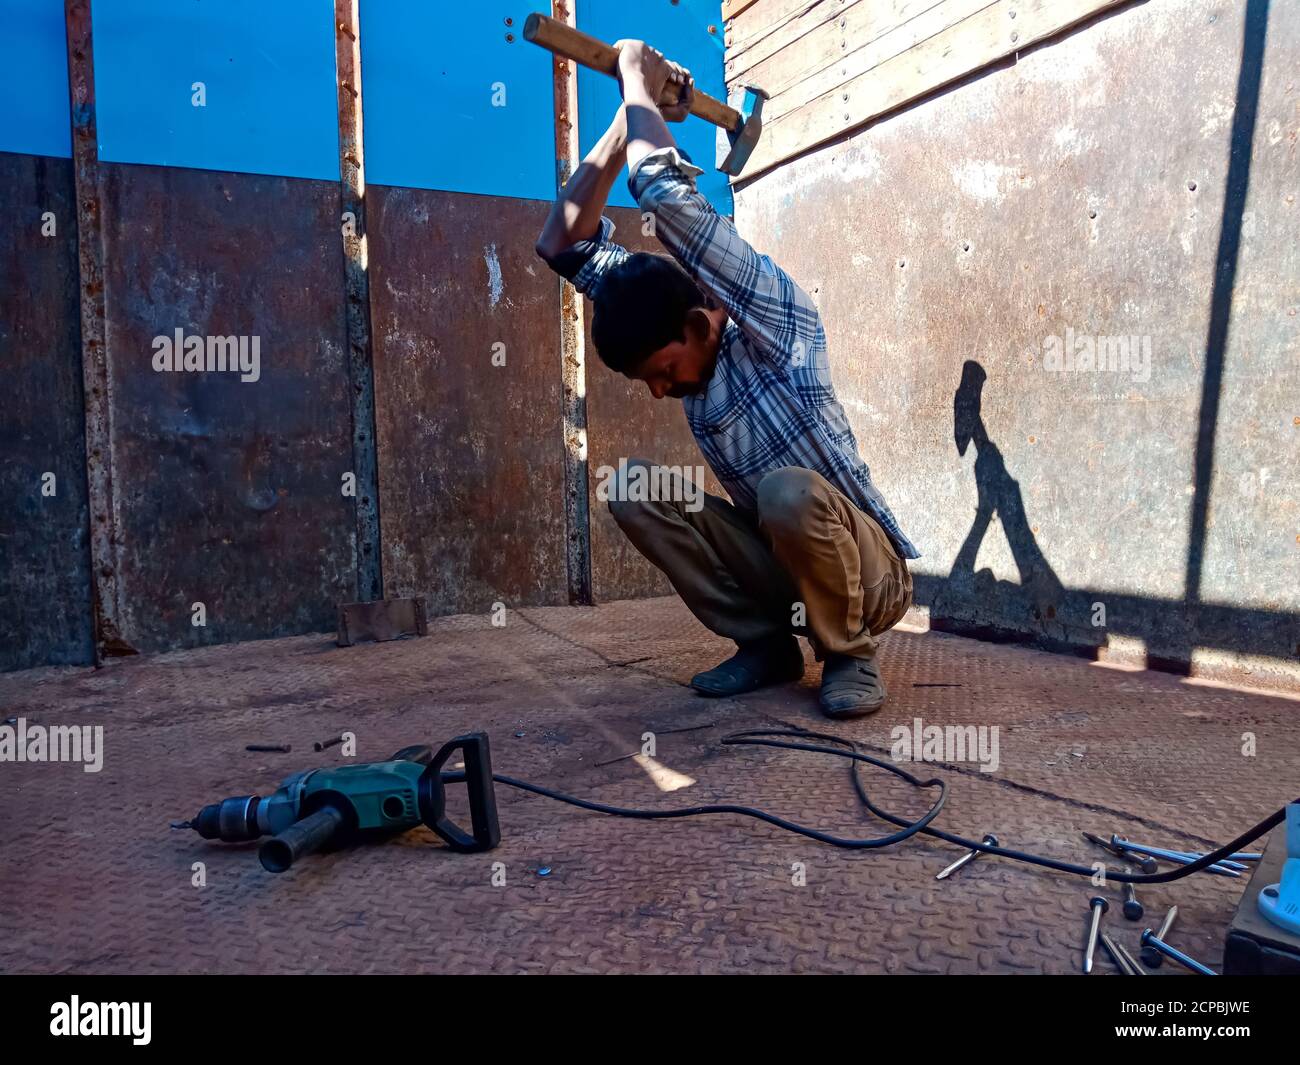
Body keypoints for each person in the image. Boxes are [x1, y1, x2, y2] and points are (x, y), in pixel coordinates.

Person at [535, 40, 918, 718]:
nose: (660, 391)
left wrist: (635, 79)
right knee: (633, 488)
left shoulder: (776, 322)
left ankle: (849, 652)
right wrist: (629, 119)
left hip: (871, 576)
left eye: (662, 372)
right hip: (783, 566)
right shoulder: (666, 318)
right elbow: (561, 243)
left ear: (697, 325)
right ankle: (768, 645)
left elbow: (659, 192)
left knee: (786, 491)